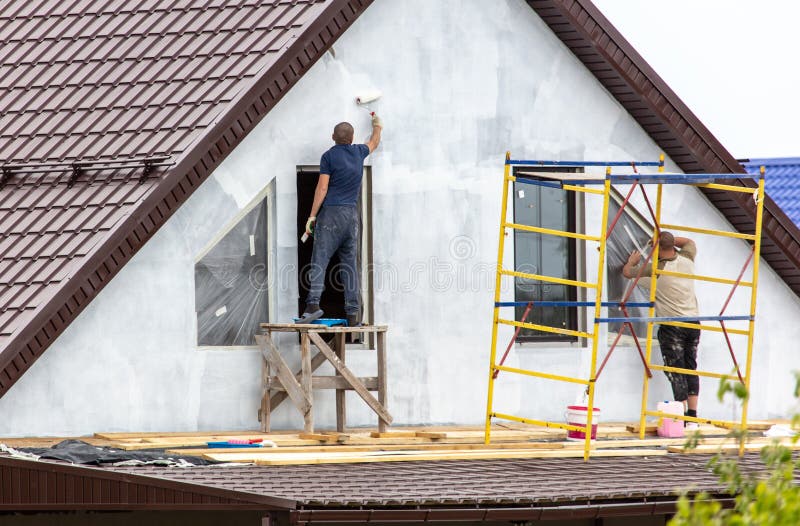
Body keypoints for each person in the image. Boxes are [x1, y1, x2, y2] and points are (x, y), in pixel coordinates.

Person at [298, 115, 383, 325]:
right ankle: (353, 314)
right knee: (349, 266)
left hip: (332, 214)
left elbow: (322, 187)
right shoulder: (358, 152)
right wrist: (377, 125)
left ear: (333, 137)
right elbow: (374, 141)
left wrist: (311, 216)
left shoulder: (328, 156)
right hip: (351, 216)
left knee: (320, 259)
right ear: (352, 137)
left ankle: (313, 305)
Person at [622, 231, 700, 426]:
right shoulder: (687, 258)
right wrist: (666, 240)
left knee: (676, 370)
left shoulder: (657, 271)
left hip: (673, 326)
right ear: (673, 246)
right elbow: (689, 240)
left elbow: (627, 273)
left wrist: (633, 261)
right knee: (690, 367)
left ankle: (681, 419)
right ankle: (692, 416)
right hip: (694, 322)